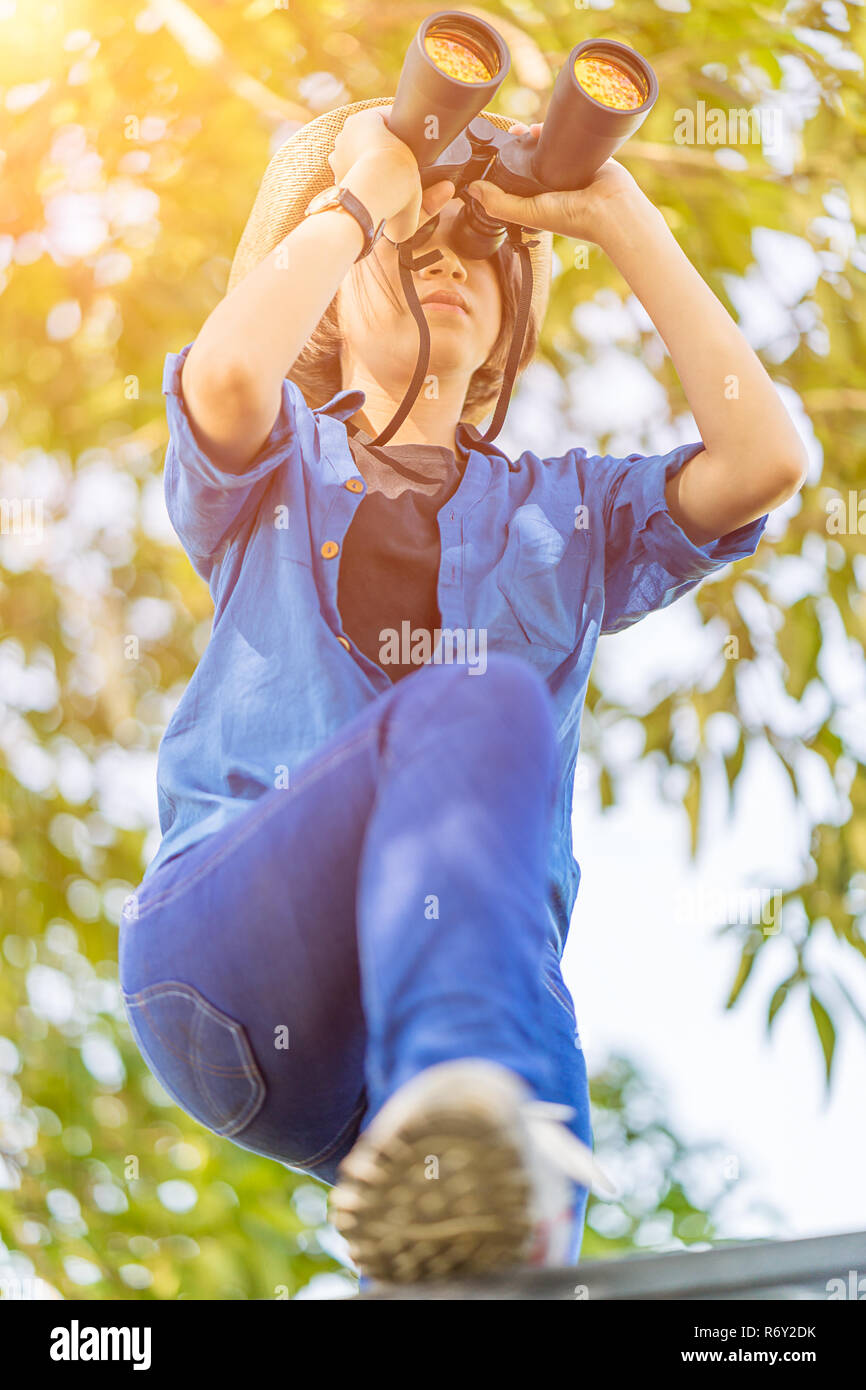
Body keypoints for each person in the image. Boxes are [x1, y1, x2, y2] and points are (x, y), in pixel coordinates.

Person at [118, 99, 808, 1287]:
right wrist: (354, 201)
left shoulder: (570, 515)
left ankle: (483, 1210)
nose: (445, 273)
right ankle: (463, 1122)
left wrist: (614, 212)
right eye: (411, 257)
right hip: (230, 961)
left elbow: (761, 463)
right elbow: (231, 367)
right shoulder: (276, 460)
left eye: (474, 264)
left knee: (535, 1136)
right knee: (475, 696)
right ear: (333, 305)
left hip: (433, 1031)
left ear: (506, 331)